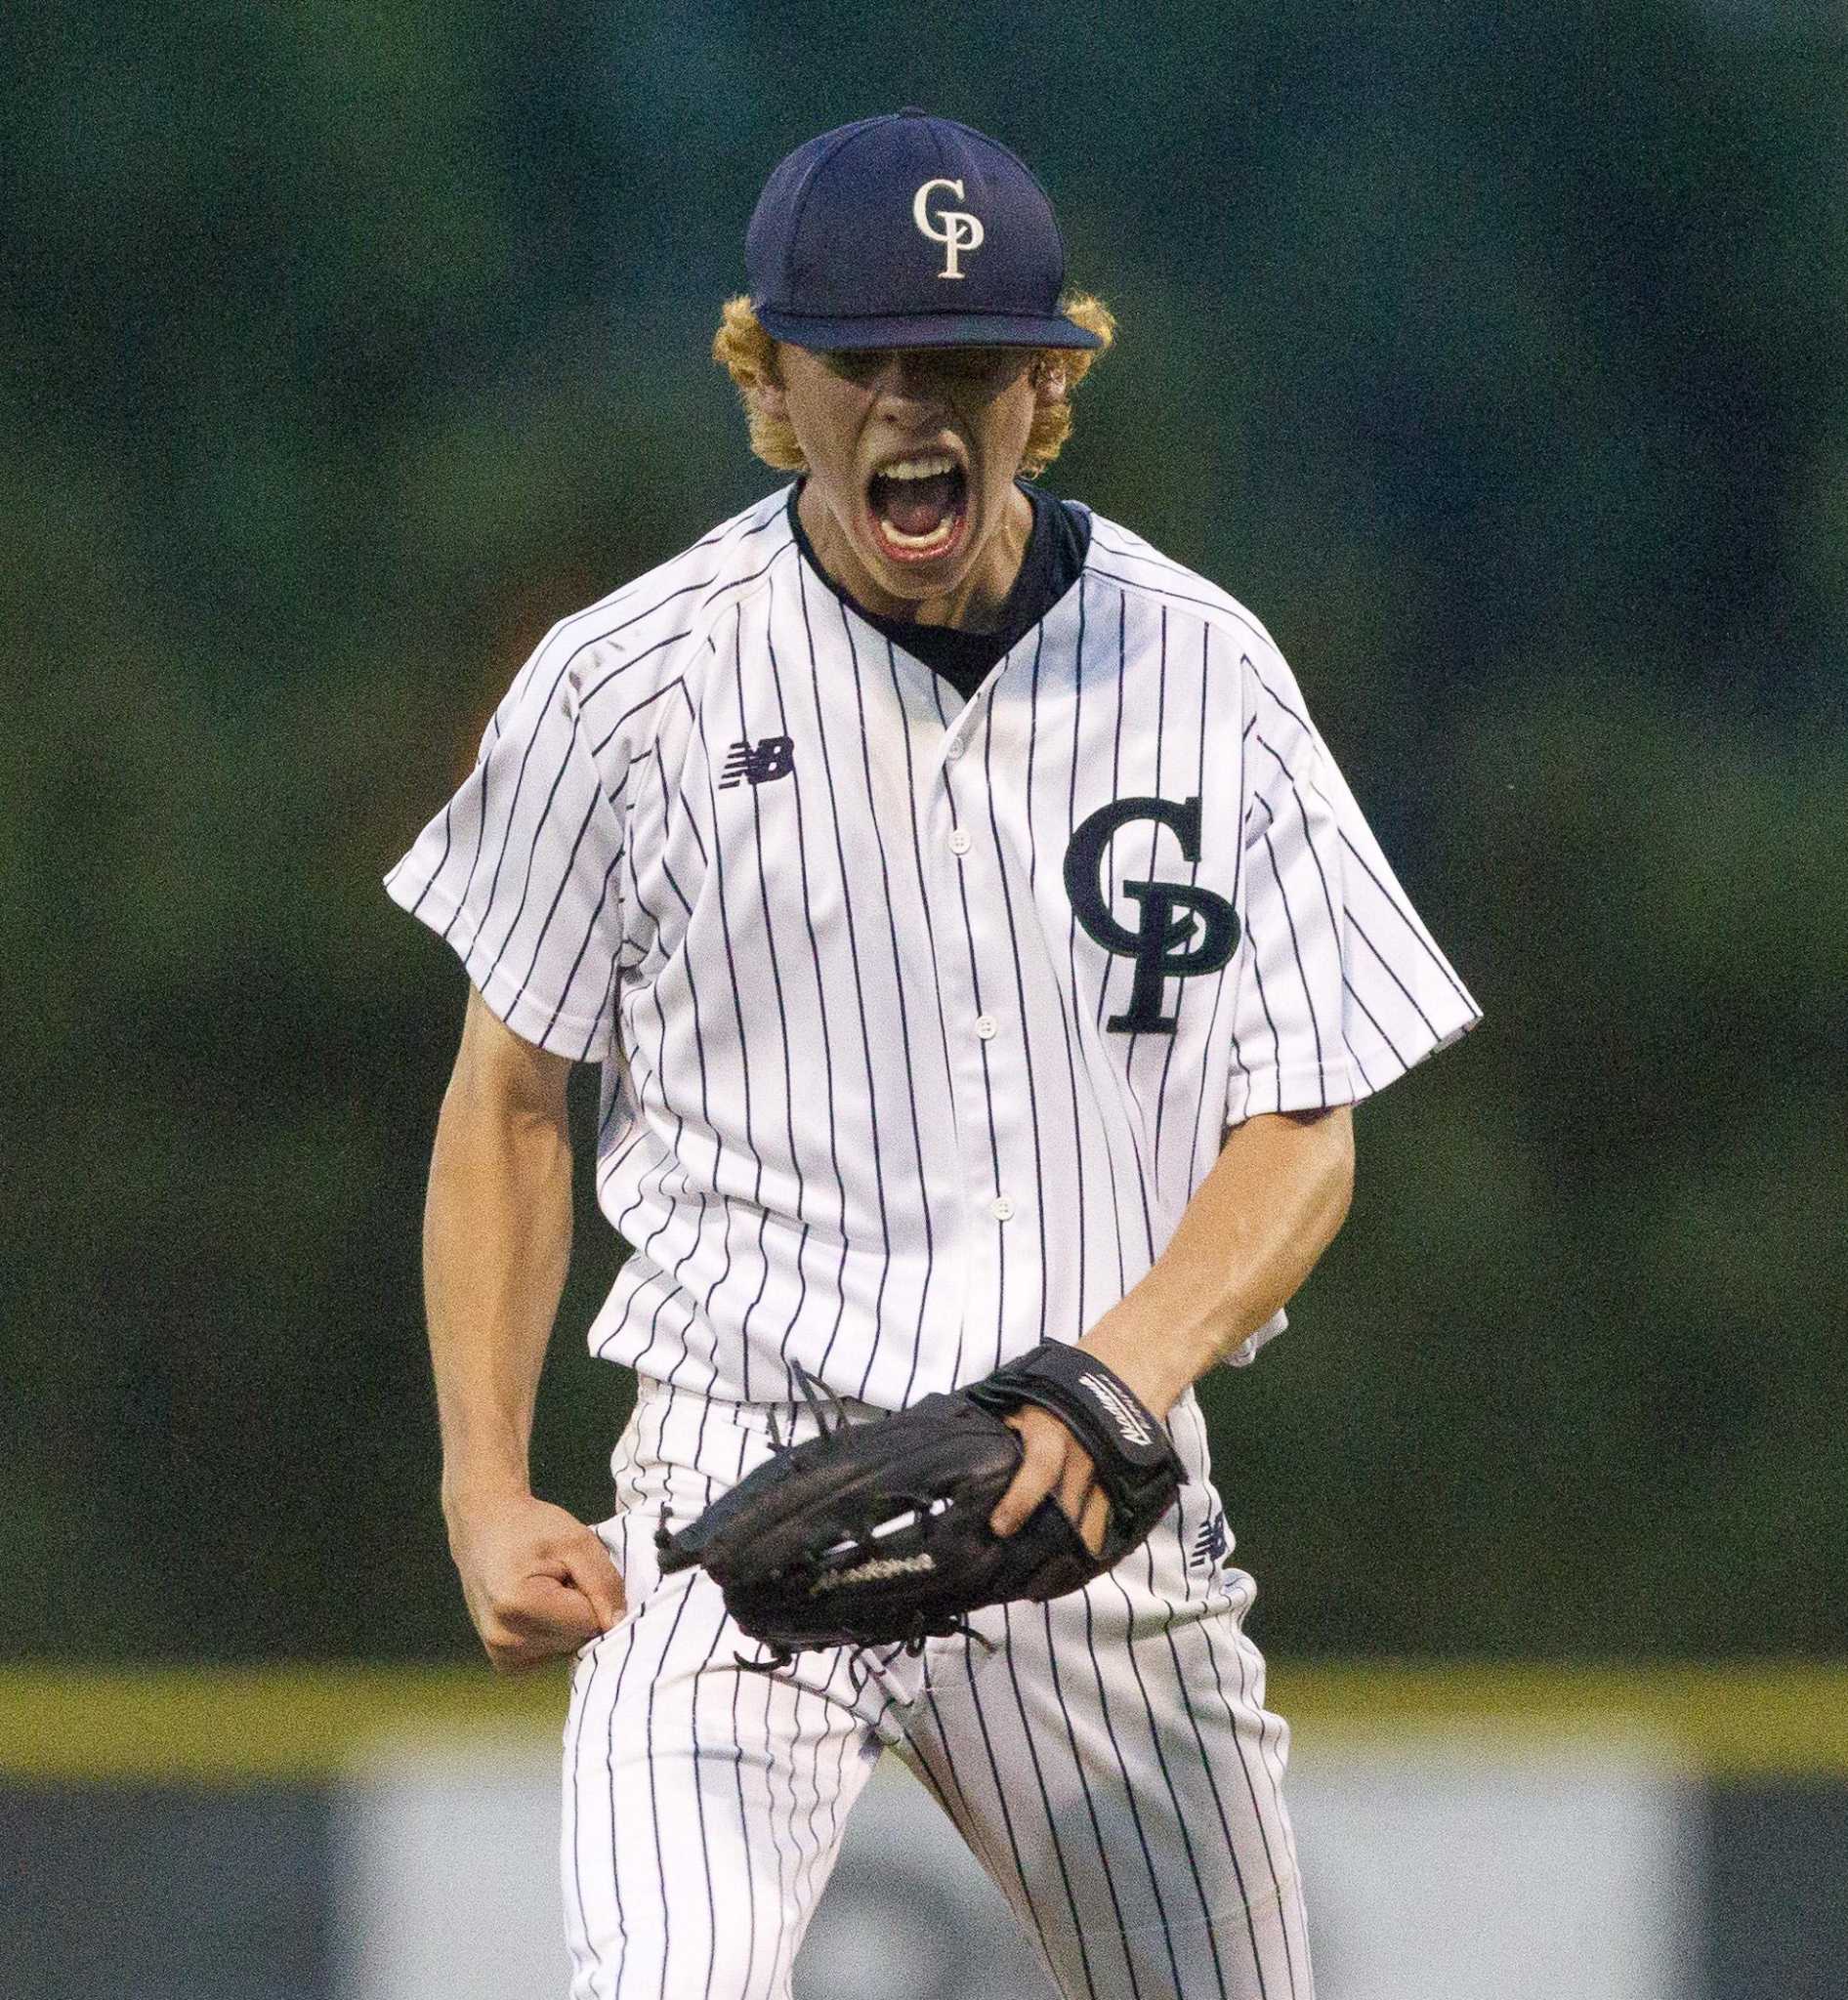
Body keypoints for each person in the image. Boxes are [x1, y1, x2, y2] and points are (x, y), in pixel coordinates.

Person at [388, 108, 1478, 2000]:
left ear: (1041, 389)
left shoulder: (1202, 671)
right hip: (739, 1499)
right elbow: (509, 1100)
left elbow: (1302, 1127)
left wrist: (1112, 1381)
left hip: (1088, 1508)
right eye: (858, 356)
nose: (913, 401)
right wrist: (486, 1479)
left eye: (963, 358)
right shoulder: (626, 685)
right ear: (770, 378)